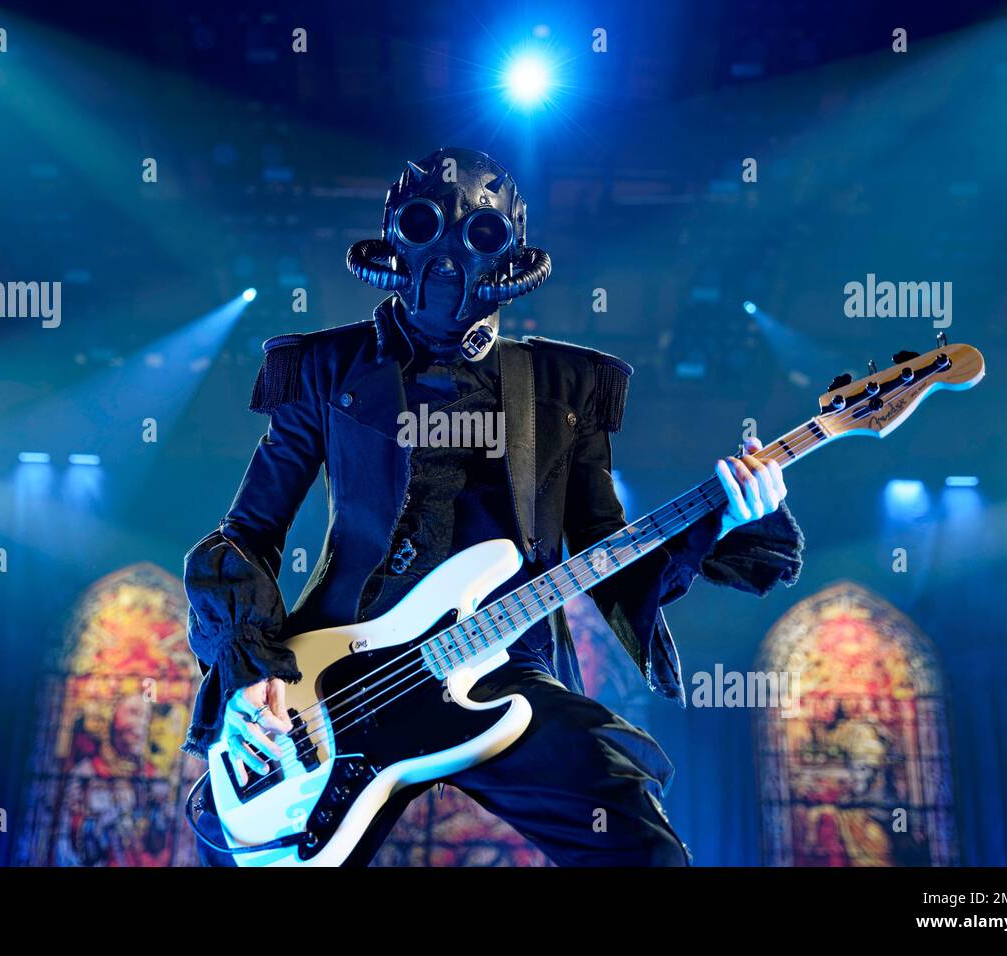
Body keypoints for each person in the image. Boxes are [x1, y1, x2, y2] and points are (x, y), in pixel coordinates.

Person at [181, 147, 804, 866]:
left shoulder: (565, 386)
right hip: (332, 675)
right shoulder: (326, 369)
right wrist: (252, 670)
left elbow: (609, 555)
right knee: (248, 855)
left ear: (510, 259)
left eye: (478, 235)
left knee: (640, 844)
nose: (447, 257)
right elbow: (249, 533)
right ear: (390, 244)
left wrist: (727, 518)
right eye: (422, 226)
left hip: (502, 666)